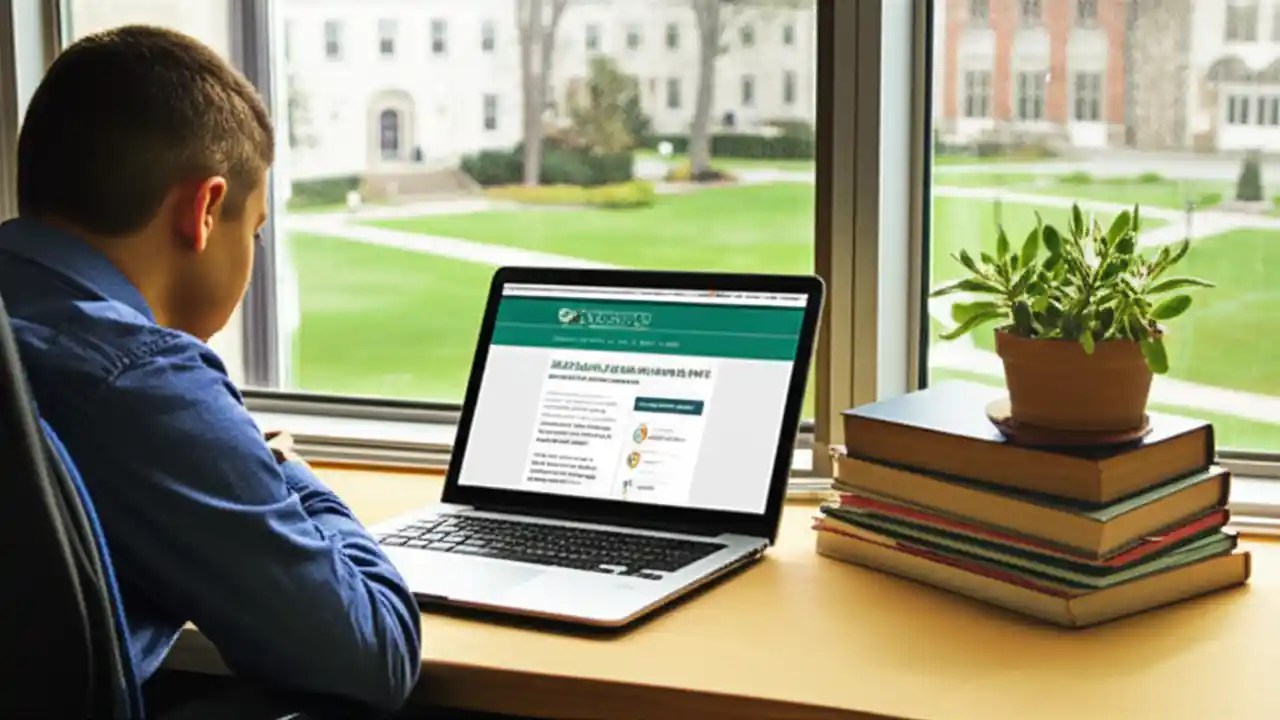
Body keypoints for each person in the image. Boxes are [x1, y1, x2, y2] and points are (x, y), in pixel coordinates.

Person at [0, 25, 420, 713]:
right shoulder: (139, 380)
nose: (252, 254)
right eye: (251, 230)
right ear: (202, 211)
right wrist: (281, 468)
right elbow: (374, 652)